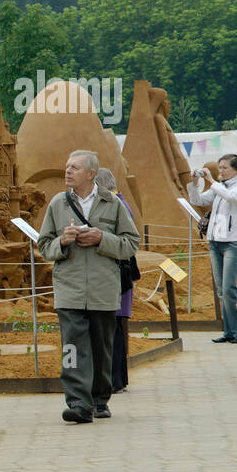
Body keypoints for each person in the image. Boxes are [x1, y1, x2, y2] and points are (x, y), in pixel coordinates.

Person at [36, 150, 141, 423]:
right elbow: (44, 246)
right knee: (72, 348)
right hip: (69, 290)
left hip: (103, 289)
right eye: (67, 166)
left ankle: (99, 399)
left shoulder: (113, 204)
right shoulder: (58, 204)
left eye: (75, 167)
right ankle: (78, 403)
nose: (68, 171)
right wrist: (62, 241)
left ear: (91, 173)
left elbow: (132, 243)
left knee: (101, 347)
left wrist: (101, 238)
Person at [189, 155, 237, 344]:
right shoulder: (219, 187)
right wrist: (194, 183)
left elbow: (232, 198)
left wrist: (210, 180)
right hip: (215, 240)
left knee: (229, 288)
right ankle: (229, 331)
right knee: (221, 290)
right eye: (219, 168)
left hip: (232, 241)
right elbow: (198, 200)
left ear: (235, 169)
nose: (221, 172)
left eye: (224, 168)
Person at [97, 168, 137, 393]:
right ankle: (118, 378)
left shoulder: (117, 205)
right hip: (119, 275)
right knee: (116, 329)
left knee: (114, 329)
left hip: (118, 274)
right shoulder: (118, 202)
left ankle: (116, 379)